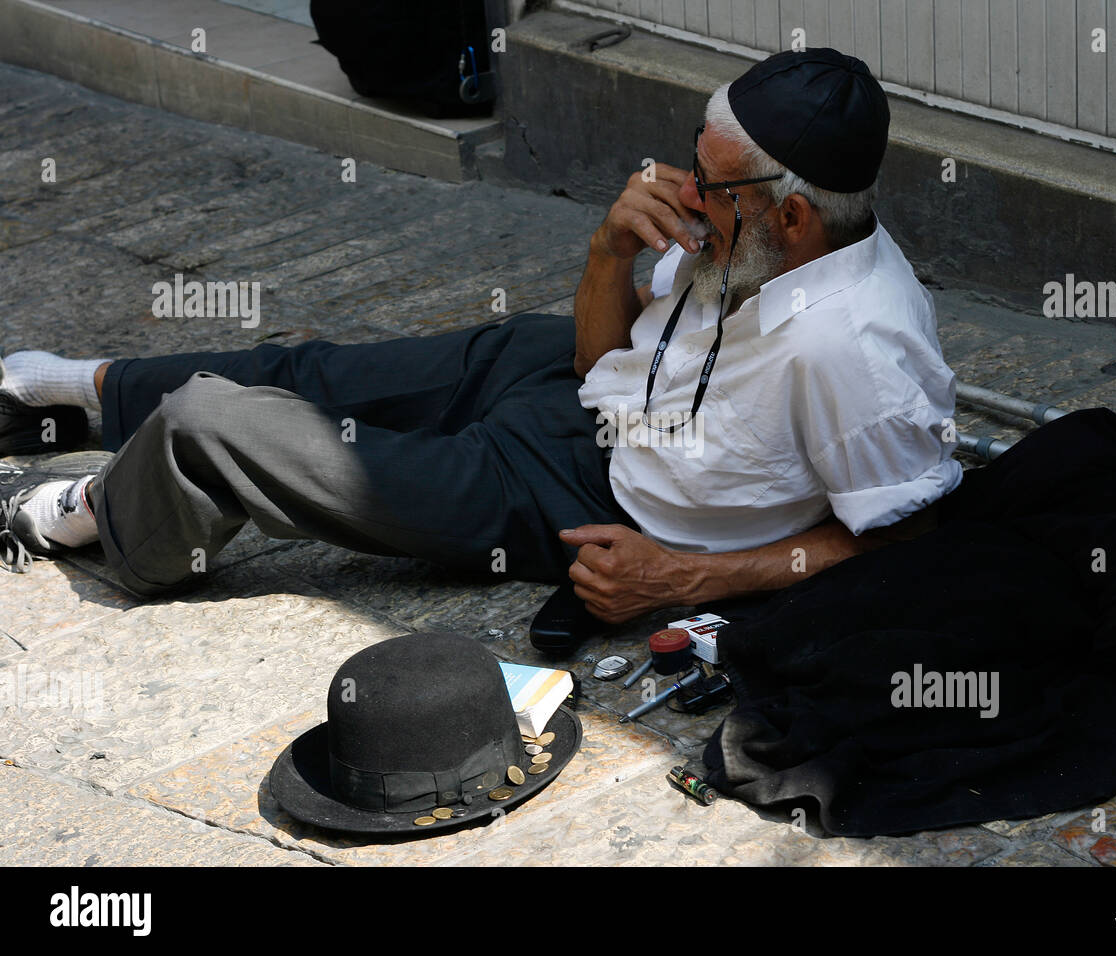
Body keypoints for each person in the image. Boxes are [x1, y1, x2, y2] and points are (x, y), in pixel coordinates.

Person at [0, 48, 961, 626]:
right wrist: (604, 252)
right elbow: (596, 358)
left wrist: (684, 578)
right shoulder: (754, 238)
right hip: (592, 388)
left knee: (222, 428)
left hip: (584, 496)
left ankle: (105, 511)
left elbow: (901, 544)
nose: (687, 192)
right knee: (324, 371)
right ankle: (94, 388)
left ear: (794, 218)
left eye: (714, 186)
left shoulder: (856, 347)